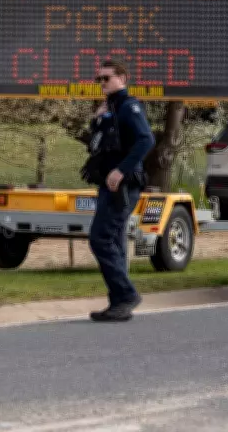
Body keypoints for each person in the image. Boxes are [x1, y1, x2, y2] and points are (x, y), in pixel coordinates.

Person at [82, 59, 155, 322]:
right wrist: (97, 121)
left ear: (122, 78)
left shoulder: (129, 106)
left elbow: (146, 139)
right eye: (98, 79)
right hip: (109, 185)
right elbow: (100, 146)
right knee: (114, 241)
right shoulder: (110, 108)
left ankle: (125, 295)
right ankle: (118, 304)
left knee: (100, 238)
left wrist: (121, 170)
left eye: (106, 78)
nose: (101, 83)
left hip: (122, 185)